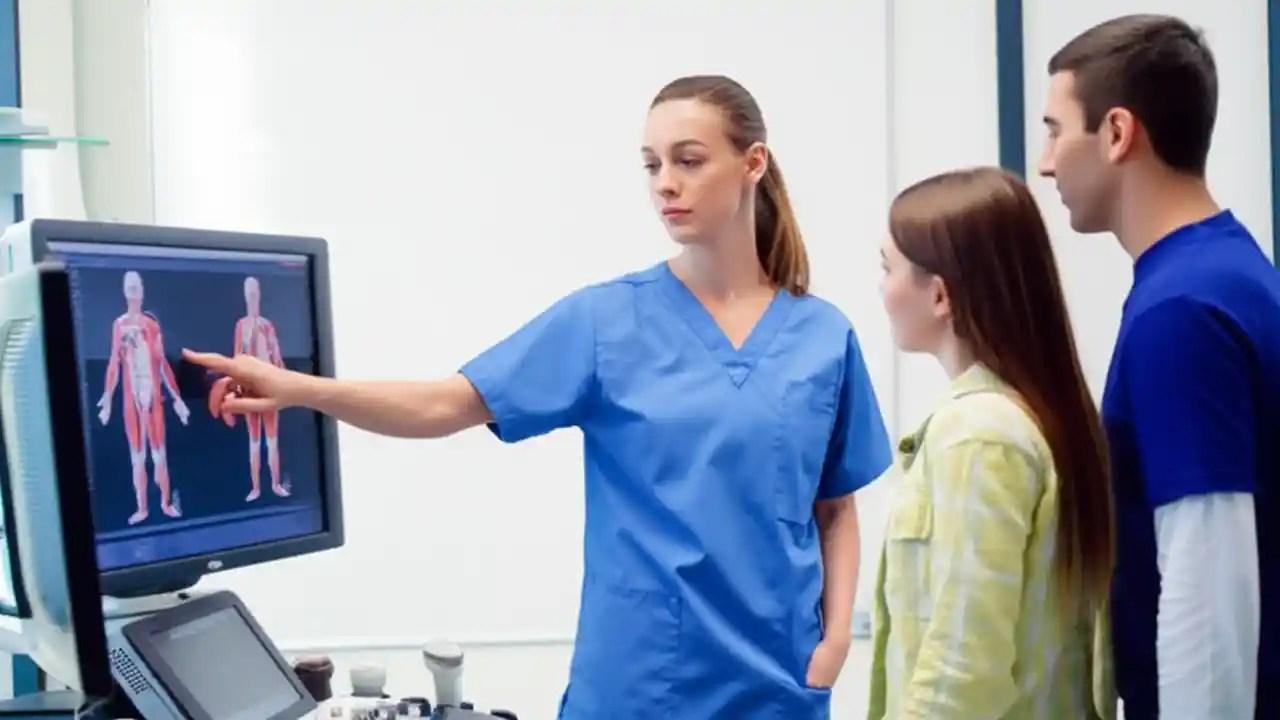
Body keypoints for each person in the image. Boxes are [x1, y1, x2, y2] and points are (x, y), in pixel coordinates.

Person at [183, 74, 893, 718]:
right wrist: (298, 389)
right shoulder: (606, 322)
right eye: (651, 165)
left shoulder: (821, 337)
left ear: (753, 163)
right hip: (642, 684)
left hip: (775, 685)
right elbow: (444, 405)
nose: (665, 184)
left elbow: (834, 510)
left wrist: (832, 645)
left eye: (688, 160)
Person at [1039, 14, 1280, 719]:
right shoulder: (1225, 273)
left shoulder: (1182, 311)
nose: (1046, 160)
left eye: (1056, 129)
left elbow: (1207, 578)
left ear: (1117, 133)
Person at [866, 166, 1114, 719]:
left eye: (888, 269)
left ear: (939, 295)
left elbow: (964, 670)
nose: (881, 290)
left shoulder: (976, 436)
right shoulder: (1028, 419)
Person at [98, 270, 191, 525]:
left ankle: (165, 503)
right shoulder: (119, 325)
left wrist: (177, 399)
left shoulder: (151, 326)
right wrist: (107, 397)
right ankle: (142, 508)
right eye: (129, 285)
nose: (132, 289)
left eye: (136, 285)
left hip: (152, 393)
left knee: (159, 453)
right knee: (137, 455)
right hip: (132, 397)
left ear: (142, 290)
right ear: (124, 290)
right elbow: (114, 363)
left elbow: (162, 364)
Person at [233, 276, 289, 501]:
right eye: (249, 292)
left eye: (255, 291)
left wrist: (286, 384)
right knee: (254, 438)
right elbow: (236, 358)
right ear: (245, 296)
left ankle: (275, 483)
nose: (252, 296)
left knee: (272, 438)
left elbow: (277, 355)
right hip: (249, 388)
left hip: (269, 388)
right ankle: (256, 487)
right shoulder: (241, 325)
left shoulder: (267, 325)